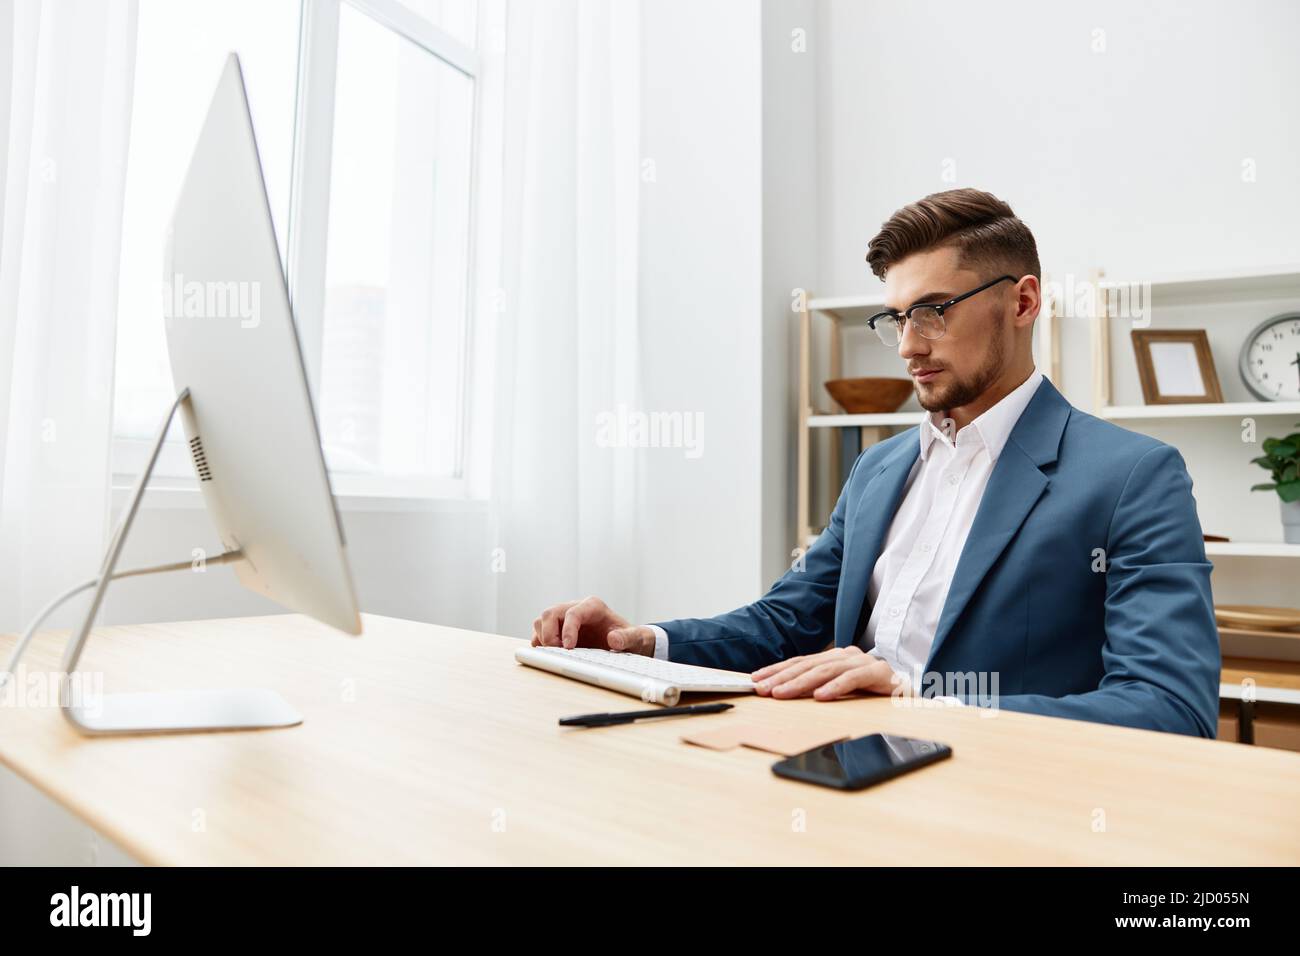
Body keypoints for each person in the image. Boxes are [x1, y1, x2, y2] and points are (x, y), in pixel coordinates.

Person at [531, 188, 1220, 738]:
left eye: (934, 311)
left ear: (1023, 301)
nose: (908, 346)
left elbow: (1170, 709)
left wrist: (919, 699)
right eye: (896, 318)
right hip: (832, 763)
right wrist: (641, 642)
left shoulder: (1134, 476)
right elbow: (787, 621)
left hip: (998, 808)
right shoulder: (880, 469)